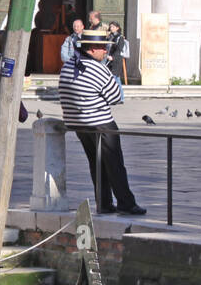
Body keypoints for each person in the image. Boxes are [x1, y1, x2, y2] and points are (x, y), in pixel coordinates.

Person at [59, 28, 145, 216]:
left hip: (78, 123)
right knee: (114, 163)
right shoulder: (97, 68)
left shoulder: (68, 65)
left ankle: (104, 203)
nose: (106, 51)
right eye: (102, 47)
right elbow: (116, 97)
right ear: (91, 49)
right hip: (100, 122)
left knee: (96, 163)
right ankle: (126, 203)